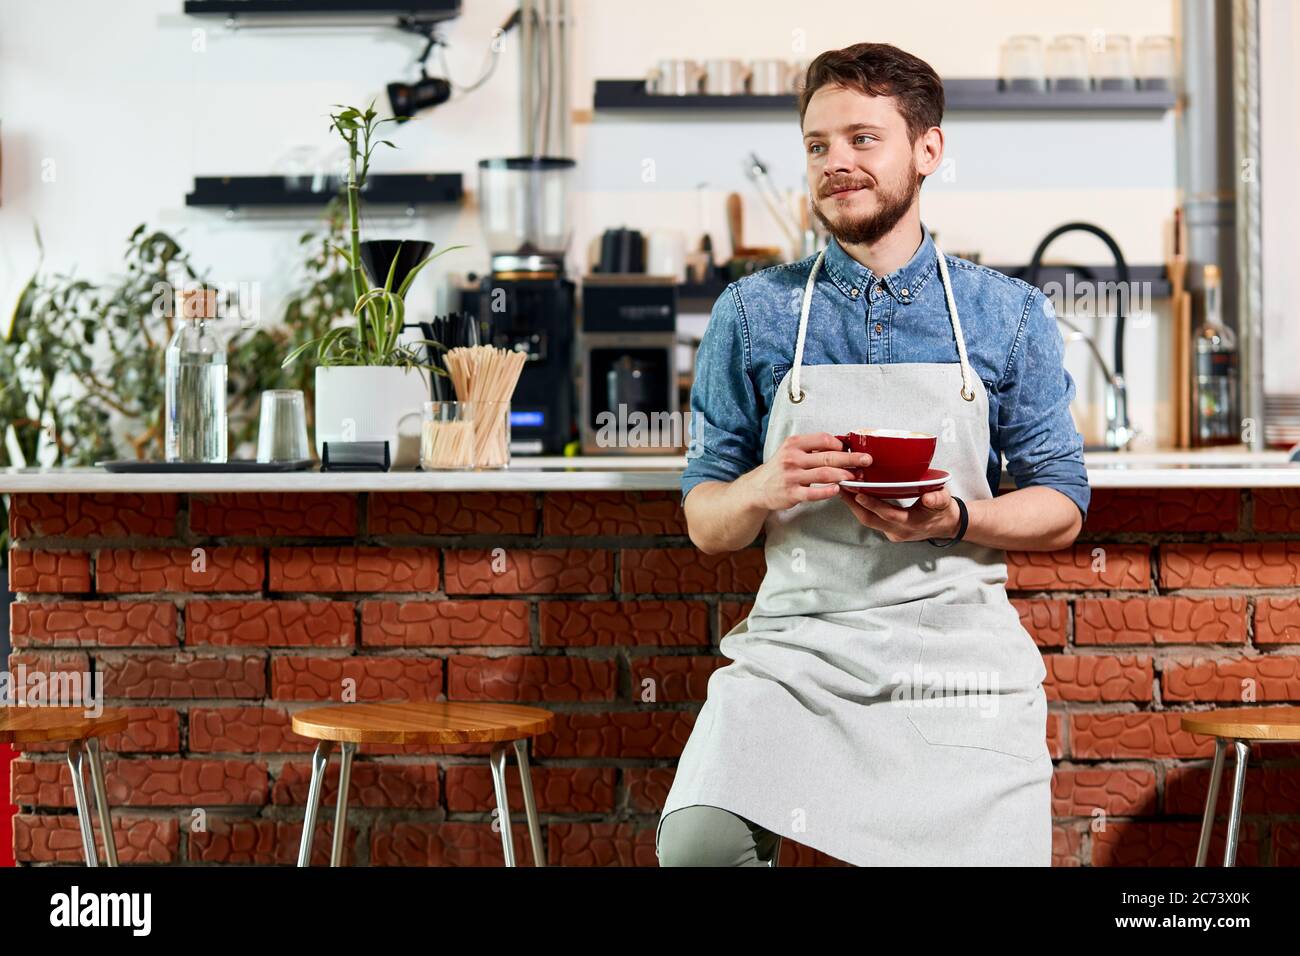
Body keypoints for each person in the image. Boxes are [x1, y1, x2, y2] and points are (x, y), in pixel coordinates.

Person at [656, 42, 1090, 867]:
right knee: (698, 847)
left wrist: (957, 517)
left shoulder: (1009, 316)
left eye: (863, 139)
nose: (836, 164)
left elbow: (1062, 503)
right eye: (818, 146)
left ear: (928, 150)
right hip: (797, 653)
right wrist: (760, 488)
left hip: (960, 654)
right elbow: (708, 523)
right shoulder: (750, 315)